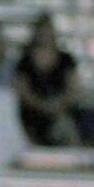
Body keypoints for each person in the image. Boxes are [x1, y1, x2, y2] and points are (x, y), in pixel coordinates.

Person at [13, 15, 81, 146]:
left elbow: (73, 88)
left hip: (60, 110)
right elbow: (22, 90)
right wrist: (42, 106)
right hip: (32, 112)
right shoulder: (25, 60)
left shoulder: (66, 59)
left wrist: (58, 105)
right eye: (42, 29)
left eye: (48, 29)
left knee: (66, 125)